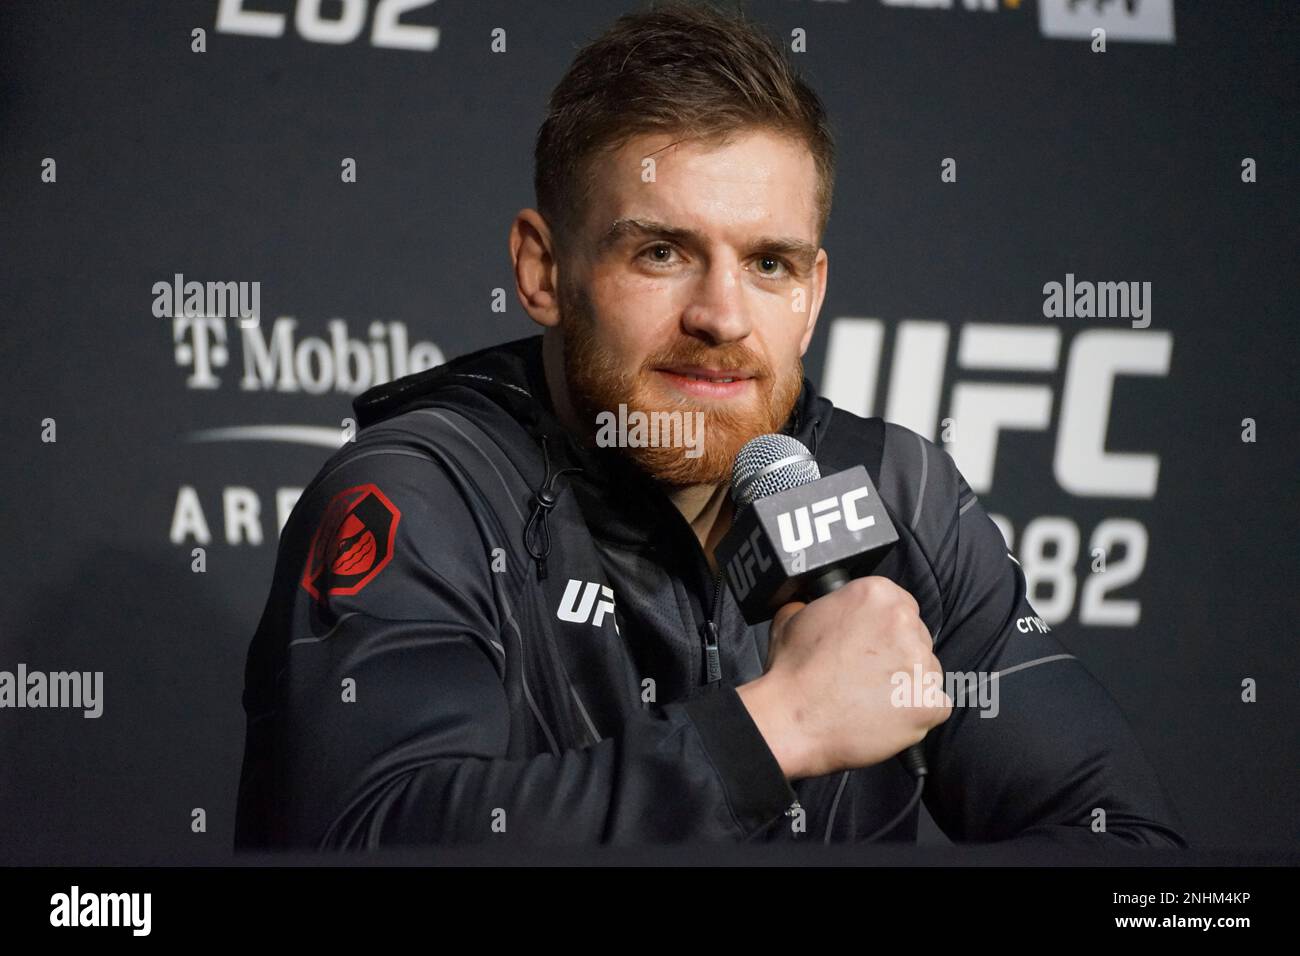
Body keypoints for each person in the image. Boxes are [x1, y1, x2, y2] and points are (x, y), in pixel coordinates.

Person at [233, 1, 1186, 850]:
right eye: (661, 251)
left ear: (811, 297)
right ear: (542, 270)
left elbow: (1132, 852)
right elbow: (359, 835)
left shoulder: (898, 496)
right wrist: (775, 731)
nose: (721, 316)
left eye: (769, 264)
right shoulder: (423, 492)